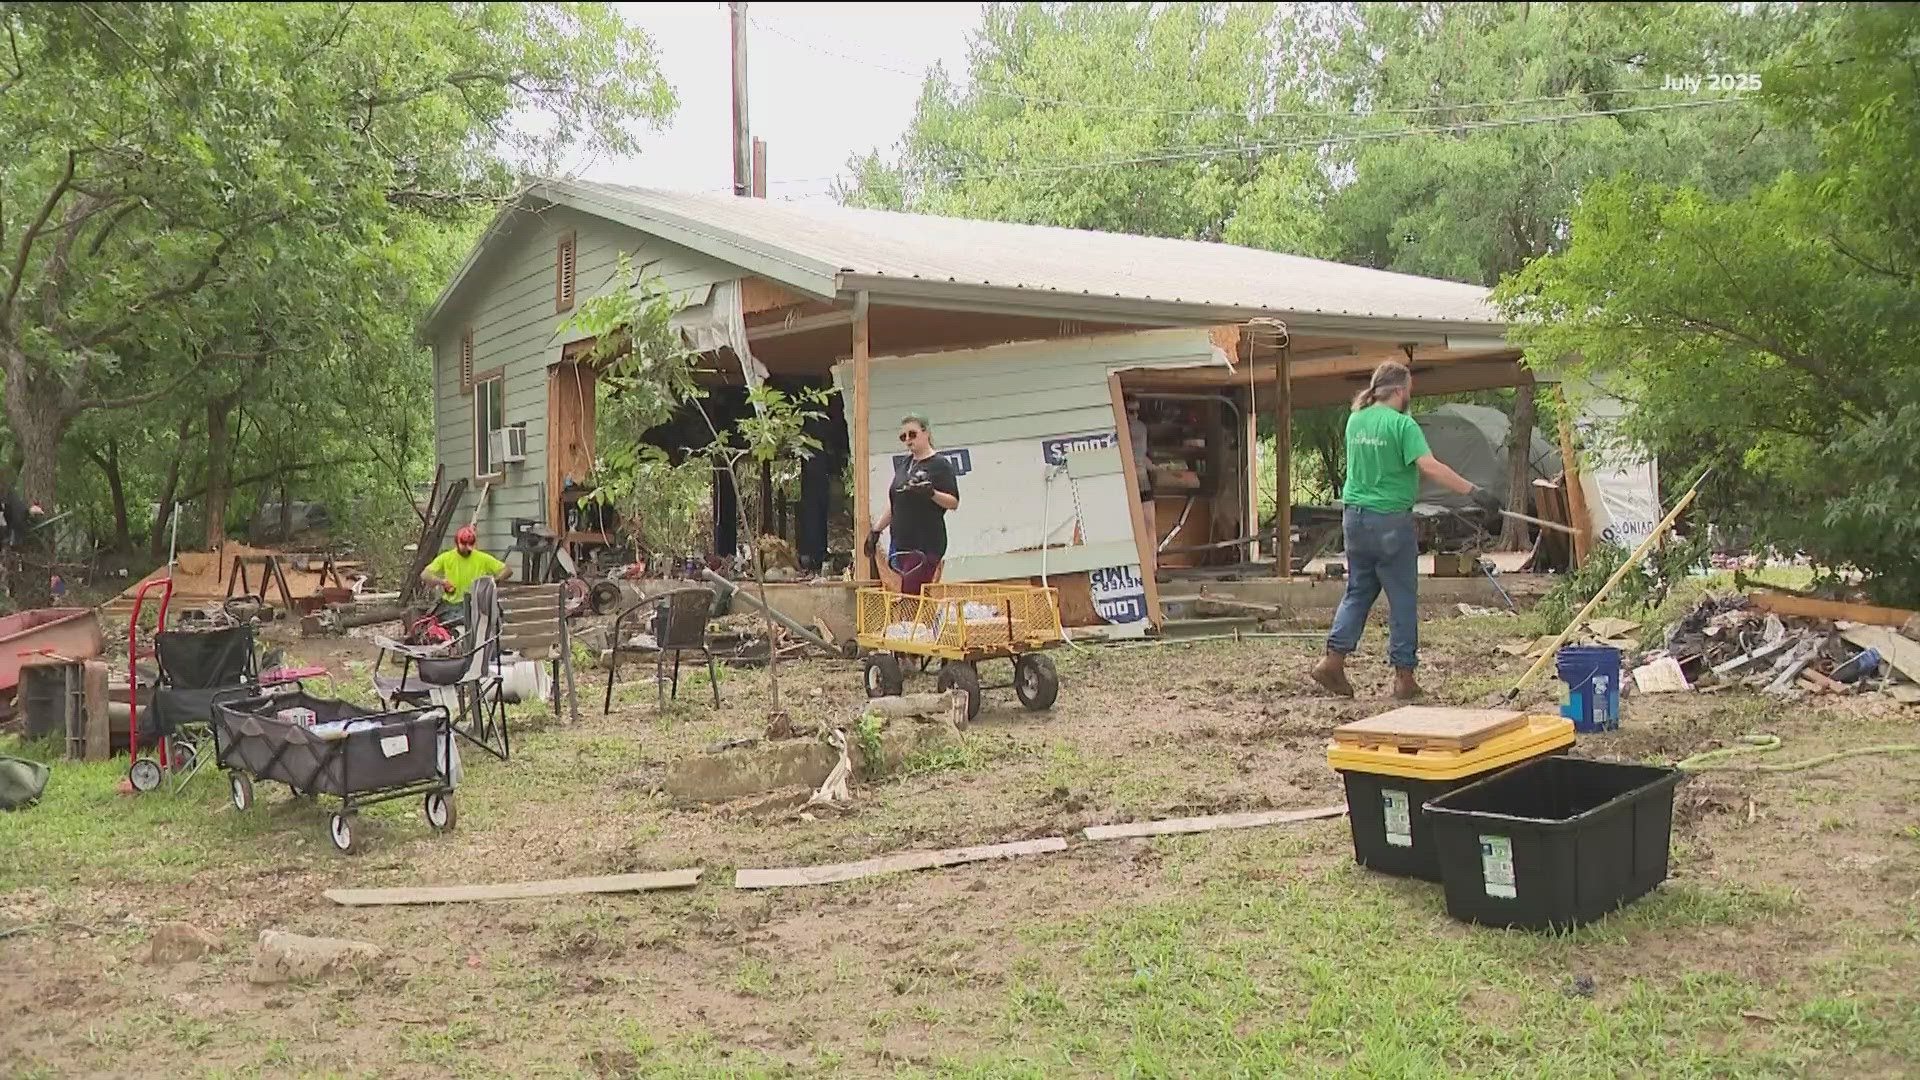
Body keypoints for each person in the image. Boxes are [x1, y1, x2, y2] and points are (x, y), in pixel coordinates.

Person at [1311, 361, 1501, 701]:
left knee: (1358, 591)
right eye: (1409, 389)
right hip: (1390, 522)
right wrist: (1473, 492)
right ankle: (1403, 678)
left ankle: (1332, 660)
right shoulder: (1403, 425)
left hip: (1354, 519)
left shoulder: (1356, 420)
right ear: (1399, 390)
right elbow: (1429, 466)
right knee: (1401, 599)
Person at [865, 413, 961, 595]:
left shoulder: (940, 465)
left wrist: (931, 493)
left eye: (912, 434)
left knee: (911, 596)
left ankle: (911, 624)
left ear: (926, 433)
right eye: (904, 437)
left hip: (925, 544)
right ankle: (925, 622)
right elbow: (896, 502)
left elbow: (953, 502)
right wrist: (876, 531)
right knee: (914, 594)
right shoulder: (905, 463)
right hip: (902, 544)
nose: (908, 440)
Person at [421, 525, 511, 617]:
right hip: (452, 606)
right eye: (464, 544)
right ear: (457, 543)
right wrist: (441, 582)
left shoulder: (482, 558)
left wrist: (493, 582)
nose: (467, 548)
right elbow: (425, 575)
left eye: (470, 544)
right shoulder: (446, 558)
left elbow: (507, 570)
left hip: (476, 605)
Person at [1126, 396, 1157, 577]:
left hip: (1141, 480)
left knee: (1149, 523)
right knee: (1136, 524)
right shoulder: (1122, 428)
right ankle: (1144, 563)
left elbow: (1142, 456)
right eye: (1131, 411)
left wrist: (1157, 468)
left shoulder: (1140, 428)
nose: (1135, 416)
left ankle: (1152, 562)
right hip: (1130, 481)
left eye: (1137, 412)